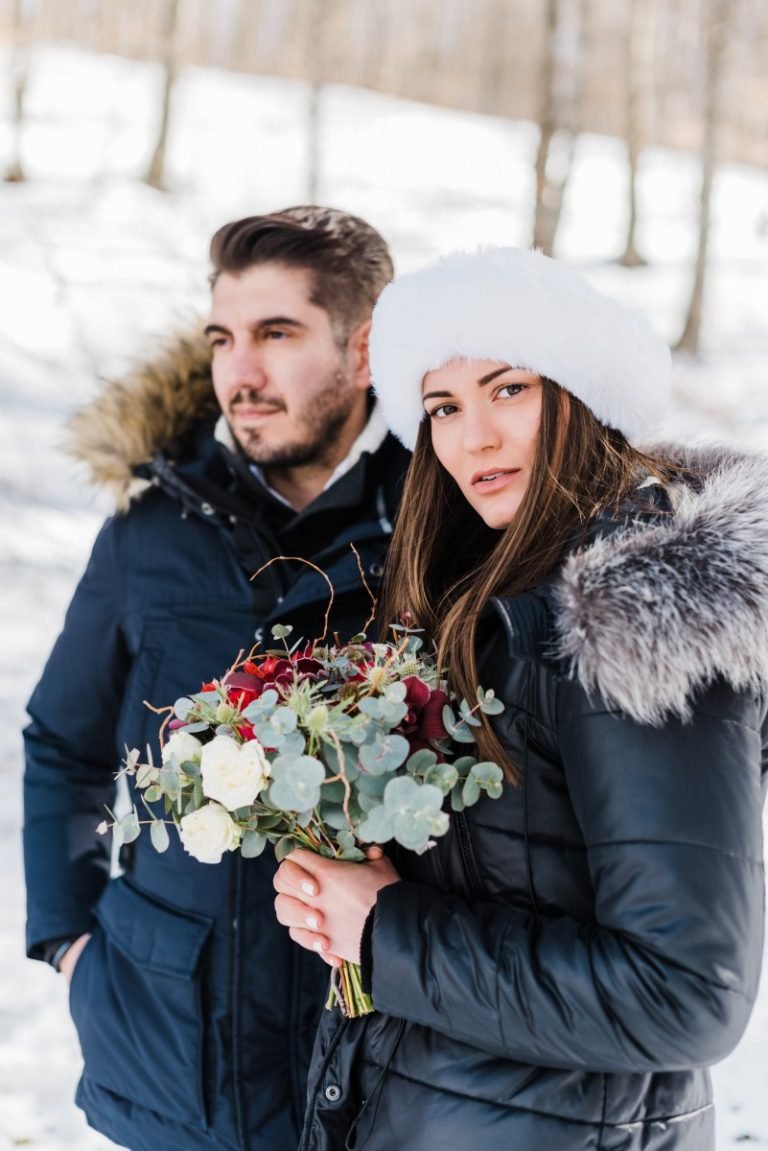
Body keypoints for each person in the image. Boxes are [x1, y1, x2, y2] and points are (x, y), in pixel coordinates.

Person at [273, 246, 768, 1151]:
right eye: (444, 407)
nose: (475, 438)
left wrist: (385, 933)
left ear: (580, 393)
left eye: (509, 390)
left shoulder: (630, 618)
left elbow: (688, 993)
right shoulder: (478, 601)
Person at [23, 206, 409, 1151]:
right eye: (224, 339)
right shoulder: (150, 530)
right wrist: (70, 942)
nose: (241, 371)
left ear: (364, 351)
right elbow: (63, 745)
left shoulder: (436, 527)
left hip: (382, 1062)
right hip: (171, 1058)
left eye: (278, 335)